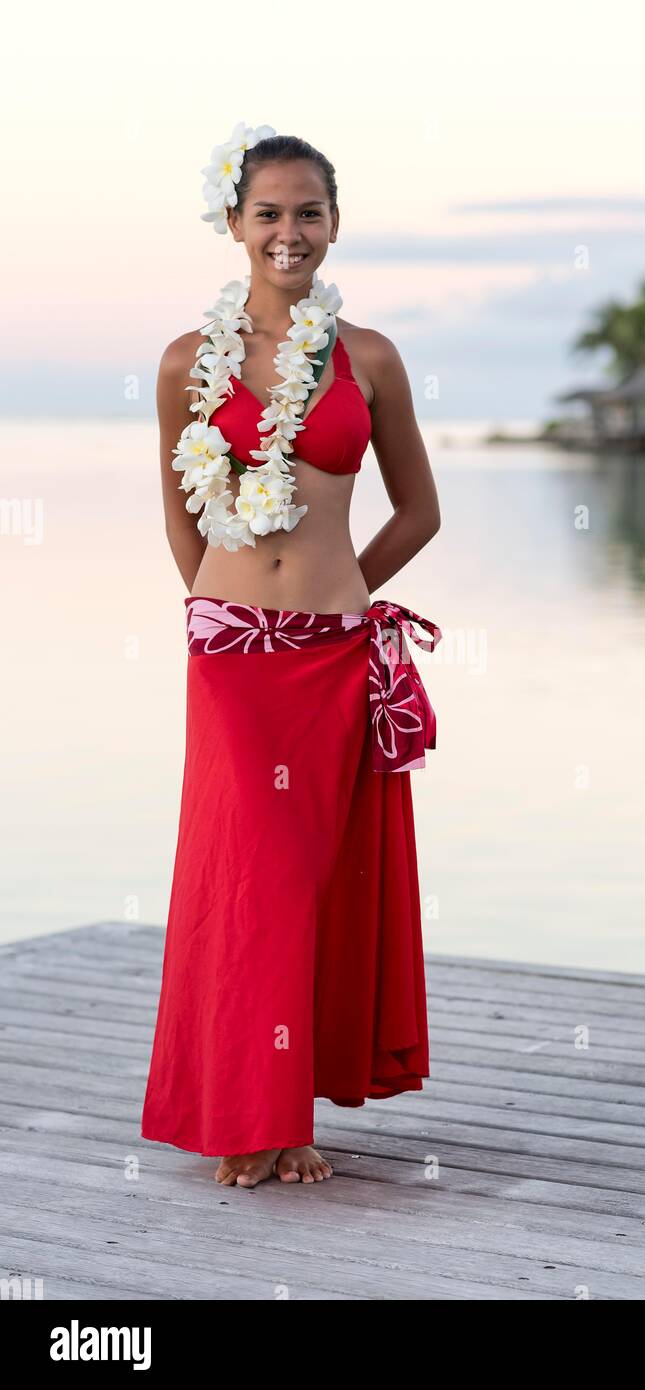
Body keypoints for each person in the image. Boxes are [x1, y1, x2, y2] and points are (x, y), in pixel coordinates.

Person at [140, 124, 441, 1189]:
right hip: (231, 653)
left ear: (333, 222)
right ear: (233, 223)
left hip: (329, 651)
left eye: (306, 211)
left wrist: (343, 588)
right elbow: (183, 517)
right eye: (267, 212)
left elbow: (420, 511)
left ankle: (290, 1112)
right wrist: (219, 611)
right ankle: (247, 1118)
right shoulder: (189, 360)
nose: (287, 231)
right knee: (247, 876)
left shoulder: (367, 359)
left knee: (311, 877)